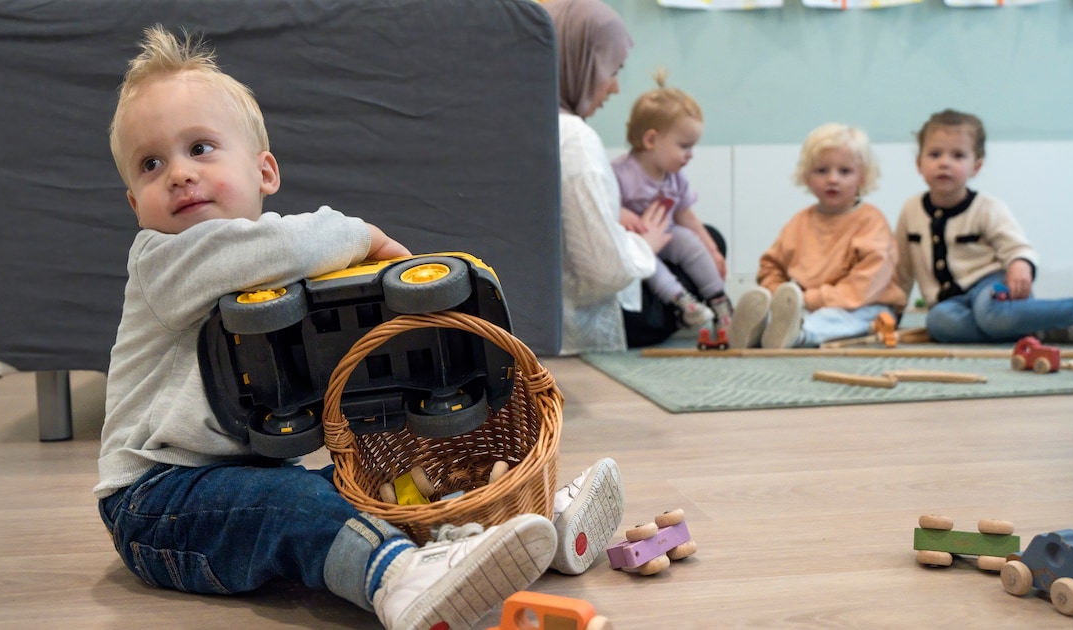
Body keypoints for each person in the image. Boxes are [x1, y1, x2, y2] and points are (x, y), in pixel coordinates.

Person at [95, 26, 607, 630]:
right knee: (292, 505)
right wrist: (360, 235)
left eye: (200, 148)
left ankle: (510, 526)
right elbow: (270, 244)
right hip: (156, 502)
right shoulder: (161, 260)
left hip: (240, 478)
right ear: (134, 202)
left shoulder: (275, 264)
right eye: (151, 164)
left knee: (359, 485)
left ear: (264, 171)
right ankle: (398, 579)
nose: (178, 173)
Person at [894, 109, 1073, 343]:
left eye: (958, 156)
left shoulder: (987, 207)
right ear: (919, 163)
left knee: (991, 314)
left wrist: (1019, 265)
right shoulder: (911, 210)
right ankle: (1033, 330)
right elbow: (902, 269)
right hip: (952, 303)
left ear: (976, 166)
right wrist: (893, 310)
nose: (944, 163)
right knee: (938, 323)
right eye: (935, 154)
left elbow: (1017, 247)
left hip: (992, 285)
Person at [544, 0, 672, 356]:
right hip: (575, 340)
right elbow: (604, 271)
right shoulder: (573, 137)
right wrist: (647, 246)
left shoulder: (517, 122)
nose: (614, 87)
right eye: (611, 70)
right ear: (579, 62)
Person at [729, 123, 907, 349]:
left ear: (862, 177)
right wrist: (780, 294)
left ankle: (799, 334)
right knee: (795, 314)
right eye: (822, 171)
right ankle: (757, 331)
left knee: (840, 319)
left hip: (865, 304)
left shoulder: (871, 221)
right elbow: (770, 266)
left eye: (844, 171)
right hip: (808, 304)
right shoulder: (799, 222)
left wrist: (810, 299)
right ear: (806, 176)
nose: (832, 179)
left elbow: (865, 284)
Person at [613, 69, 732, 332]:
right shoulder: (621, 172)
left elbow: (685, 215)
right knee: (649, 260)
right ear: (651, 139)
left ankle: (719, 301)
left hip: (666, 235)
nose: (690, 155)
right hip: (636, 244)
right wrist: (620, 213)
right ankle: (682, 302)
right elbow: (602, 207)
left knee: (690, 240)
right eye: (684, 146)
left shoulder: (675, 177)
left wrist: (712, 249)